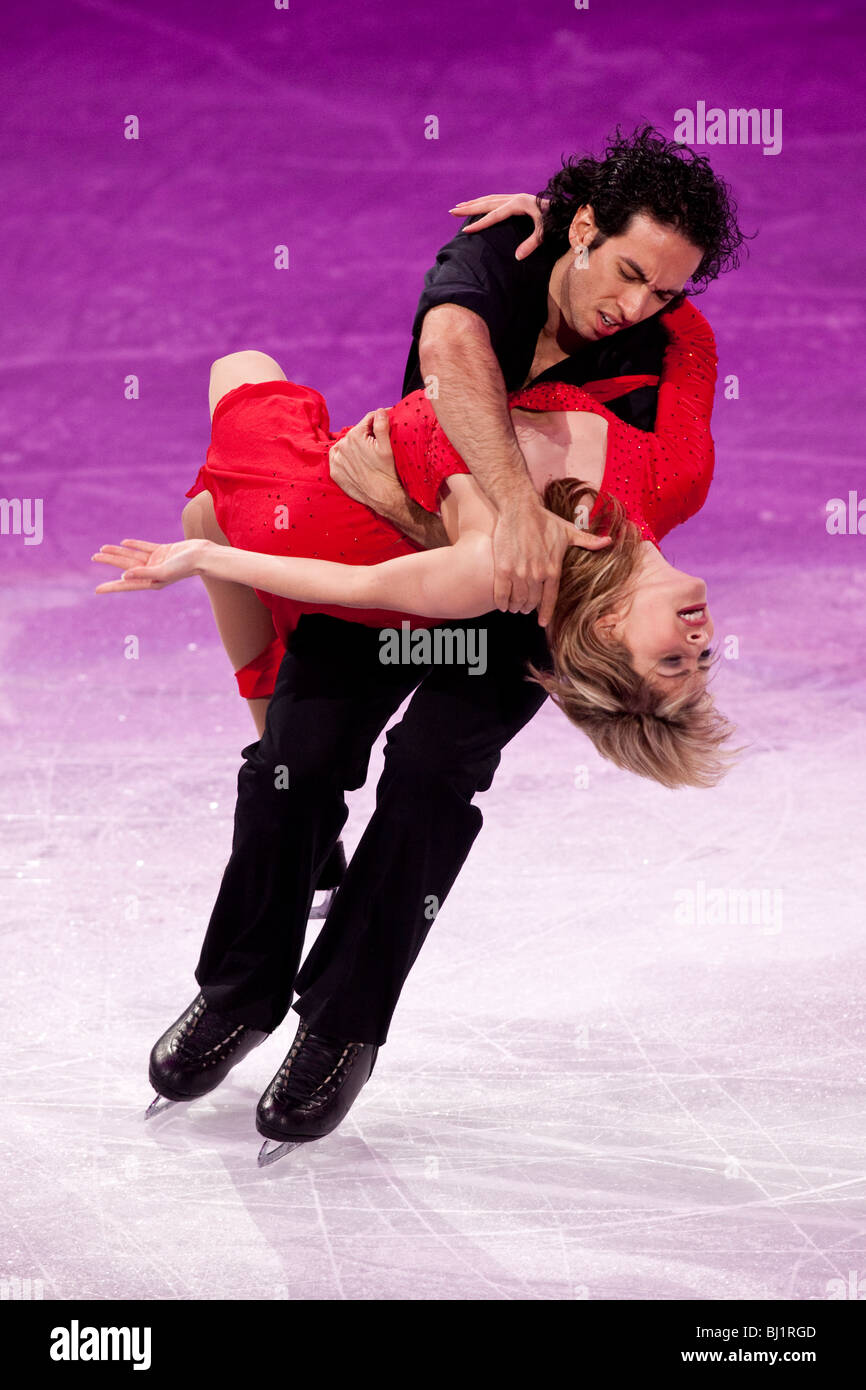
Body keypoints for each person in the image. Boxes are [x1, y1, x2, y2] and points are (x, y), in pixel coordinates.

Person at [94, 125, 746, 1158]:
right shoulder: (498, 257)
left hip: (533, 601)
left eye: (662, 291)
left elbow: (657, 442)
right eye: (625, 271)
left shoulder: (669, 354)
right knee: (294, 764)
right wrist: (499, 505)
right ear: (580, 229)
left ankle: (340, 1024)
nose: (637, 306)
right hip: (409, 566)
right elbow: (448, 354)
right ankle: (238, 991)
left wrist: (542, 554)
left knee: (434, 770)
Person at [93, 296, 730, 782]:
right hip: (372, 492)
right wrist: (582, 227)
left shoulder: (500, 561)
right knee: (204, 512)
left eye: (674, 659)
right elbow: (693, 345)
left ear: (607, 630)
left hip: (314, 506)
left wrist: (205, 557)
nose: (701, 645)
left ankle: (273, 748)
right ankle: (272, 753)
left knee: (238, 374)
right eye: (702, 661)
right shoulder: (674, 479)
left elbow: (361, 583)